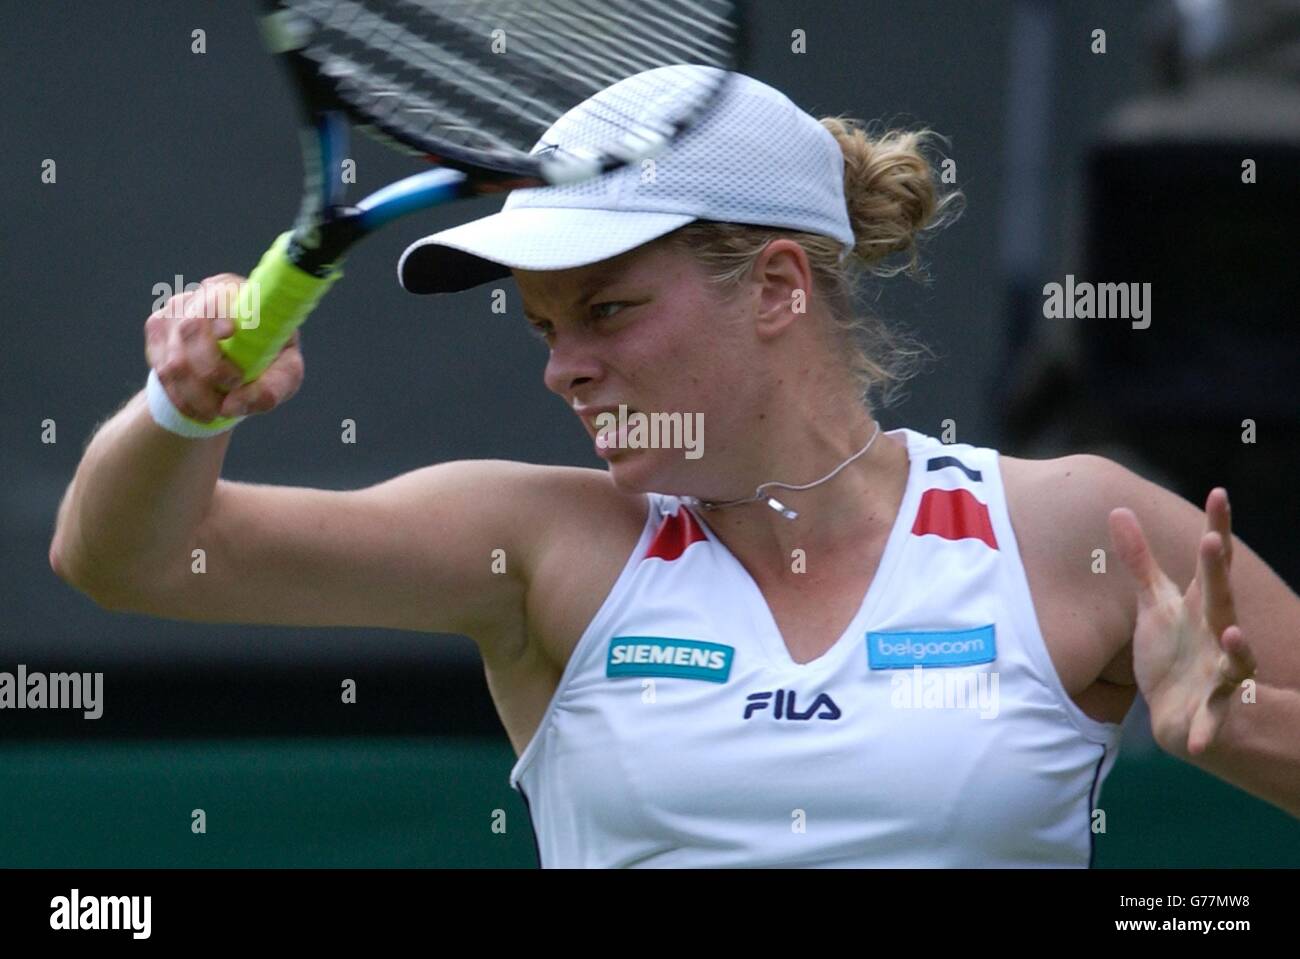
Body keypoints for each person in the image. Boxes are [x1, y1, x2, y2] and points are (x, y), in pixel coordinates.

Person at [50, 68, 1299, 867]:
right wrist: (183, 406)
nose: (563, 370)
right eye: (545, 327)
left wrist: (1232, 736)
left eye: (603, 312)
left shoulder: (1076, 526)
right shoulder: (537, 543)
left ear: (774, 287)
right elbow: (129, 559)